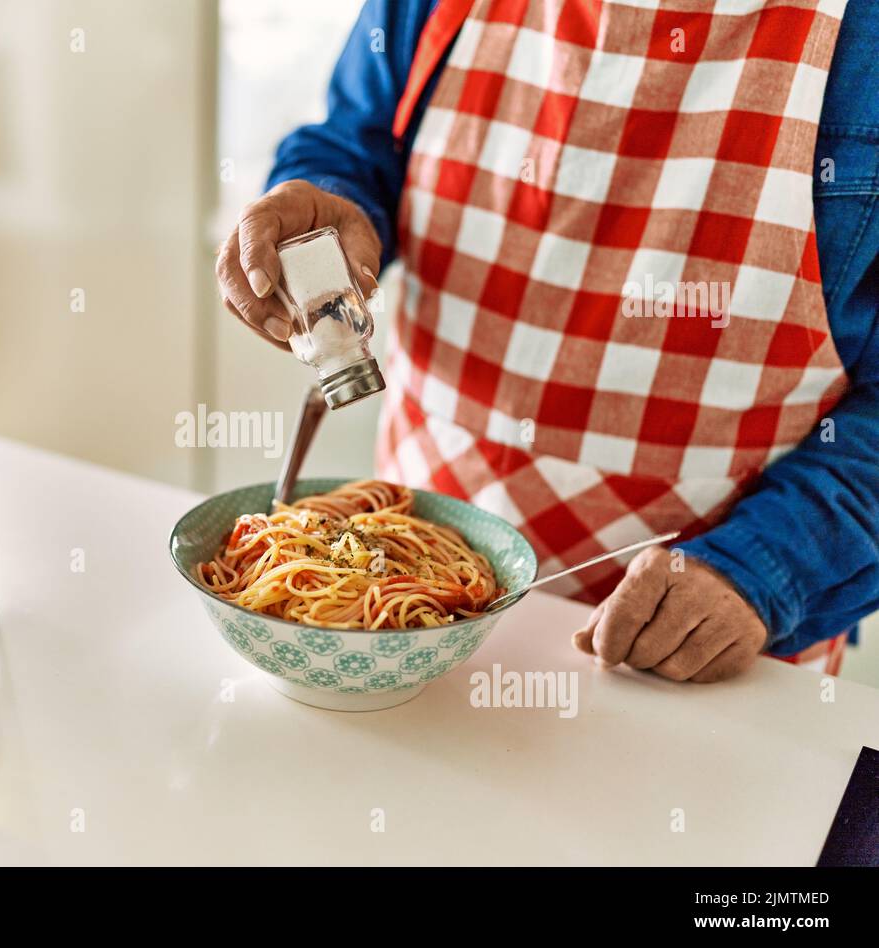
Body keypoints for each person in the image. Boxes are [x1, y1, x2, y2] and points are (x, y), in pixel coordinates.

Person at [217, 0, 878, 682]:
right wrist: (329, 208)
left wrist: (767, 567)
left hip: (703, 657)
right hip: (400, 616)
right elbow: (357, 142)